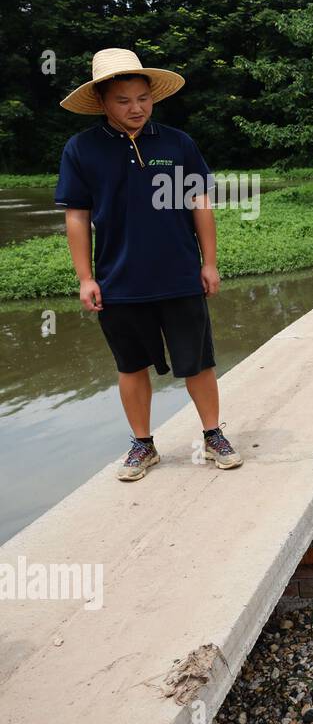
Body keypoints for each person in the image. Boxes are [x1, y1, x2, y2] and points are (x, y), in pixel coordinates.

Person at [56, 48, 242, 482]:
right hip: (118, 280)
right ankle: (143, 444)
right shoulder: (81, 149)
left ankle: (213, 435)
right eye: (123, 100)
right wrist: (85, 278)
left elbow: (200, 204)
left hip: (179, 274)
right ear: (102, 101)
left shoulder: (177, 143)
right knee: (130, 365)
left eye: (143, 98)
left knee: (198, 361)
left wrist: (209, 263)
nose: (136, 108)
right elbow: (76, 216)